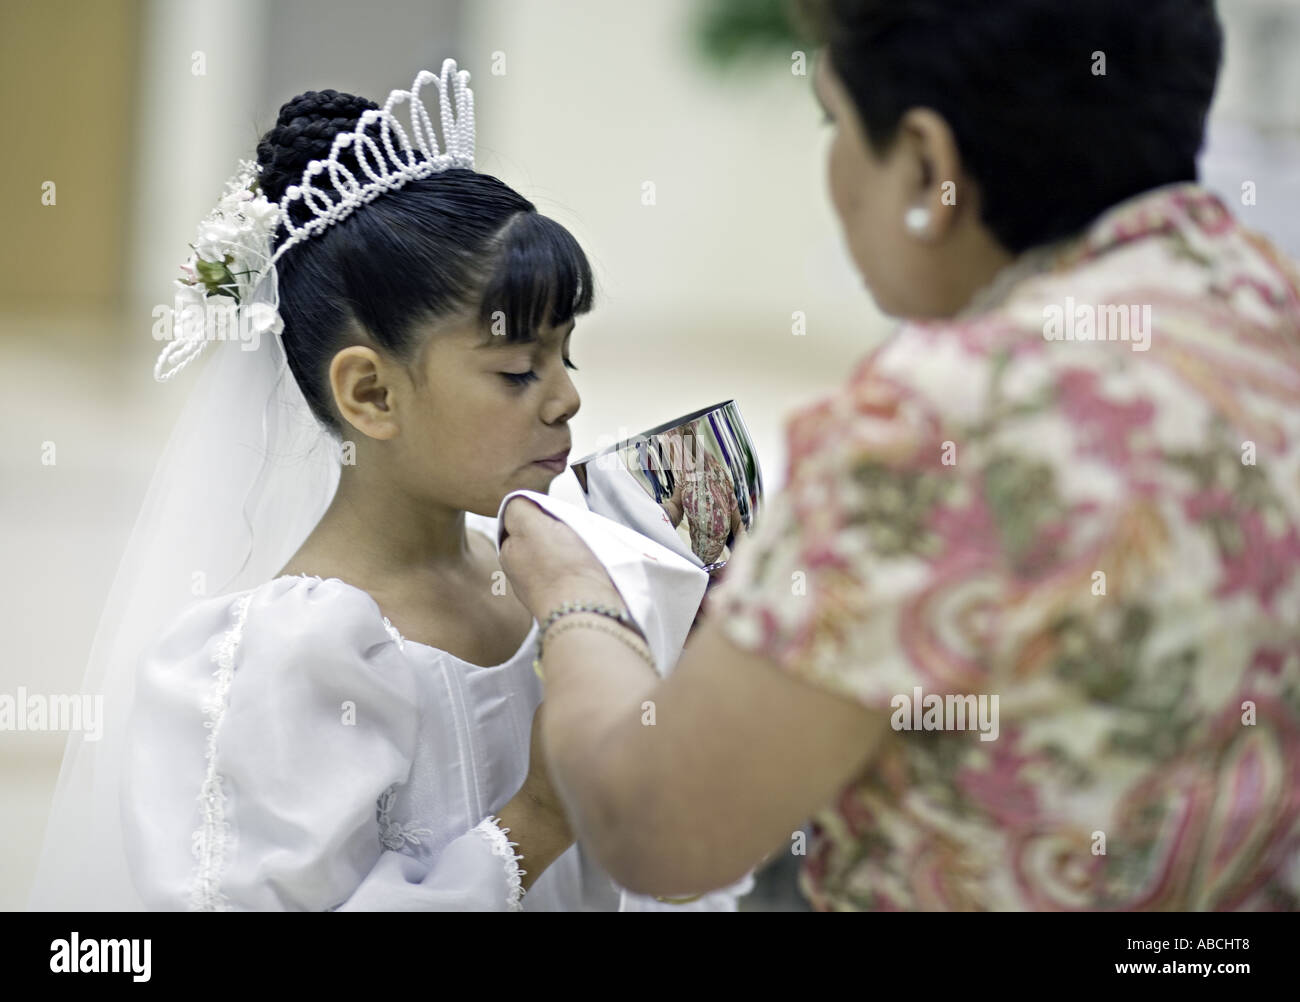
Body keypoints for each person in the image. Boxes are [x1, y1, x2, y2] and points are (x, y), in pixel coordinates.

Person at [498, 0, 1300, 910]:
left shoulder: (944, 412)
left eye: (834, 122)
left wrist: (578, 599)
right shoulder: (1265, 302)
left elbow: (657, 828)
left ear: (927, 161)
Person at [28, 62, 744, 912]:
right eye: (519, 370)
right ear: (370, 393)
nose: (568, 397)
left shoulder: (562, 570)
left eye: (568, 354)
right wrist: (538, 819)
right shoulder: (289, 660)